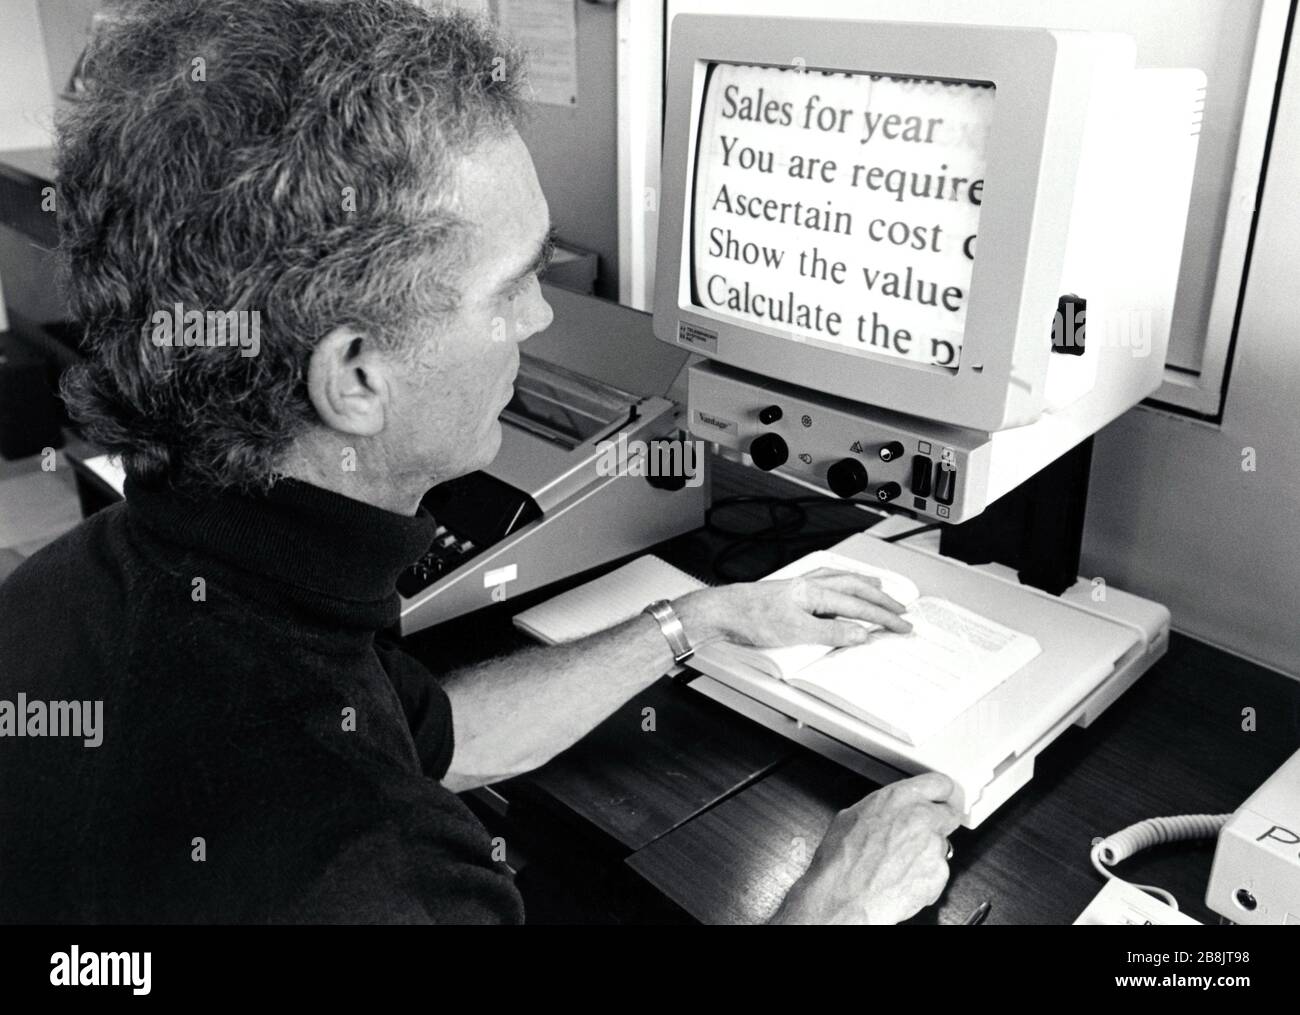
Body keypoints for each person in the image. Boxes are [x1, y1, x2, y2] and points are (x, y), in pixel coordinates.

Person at [0, 0, 958, 924]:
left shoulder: (80, 584)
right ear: (357, 376)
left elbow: (429, 735)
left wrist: (696, 621)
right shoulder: (374, 870)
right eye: (512, 288)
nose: (542, 319)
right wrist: (832, 906)